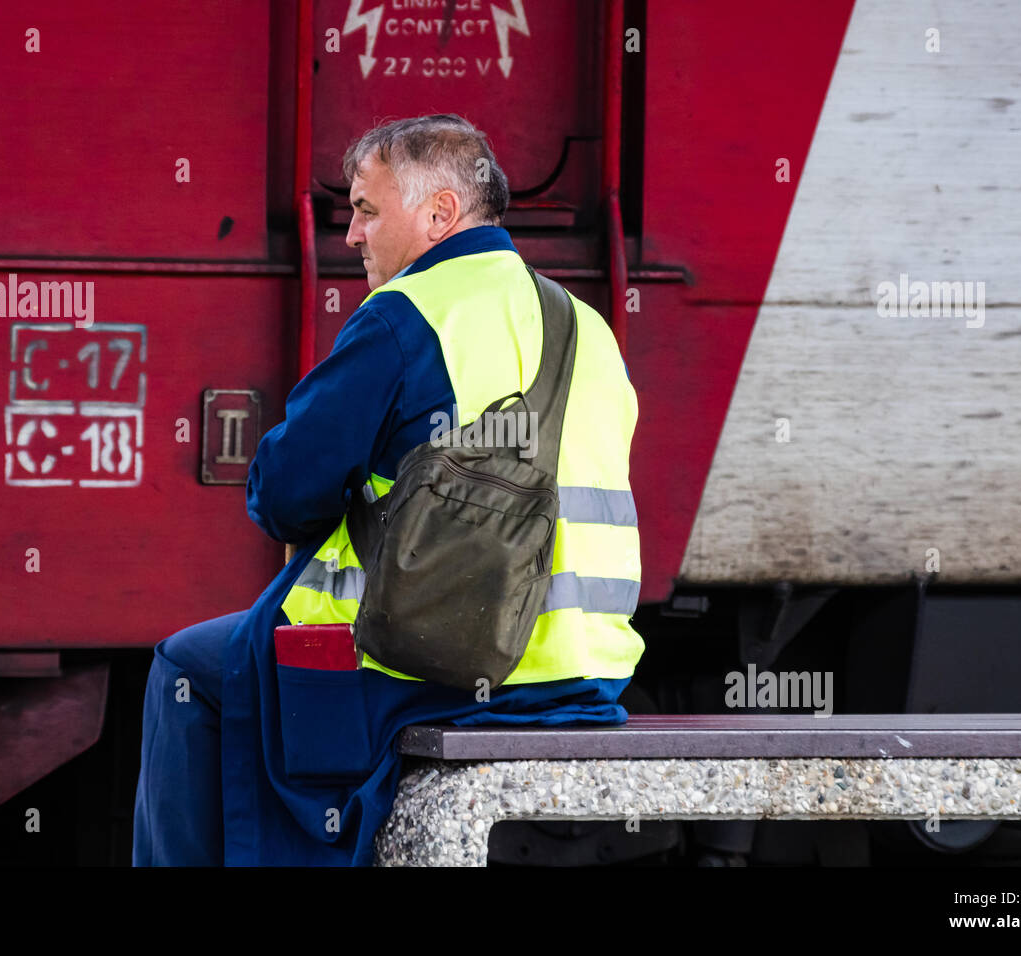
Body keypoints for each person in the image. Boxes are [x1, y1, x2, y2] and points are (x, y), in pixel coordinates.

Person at [132, 113, 644, 866]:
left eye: (367, 210)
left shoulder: (409, 316)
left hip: (433, 673)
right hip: (584, 676)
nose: (351, 236)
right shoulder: (588, 326)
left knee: (187, 667)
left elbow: (284, 495)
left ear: (440, 214)